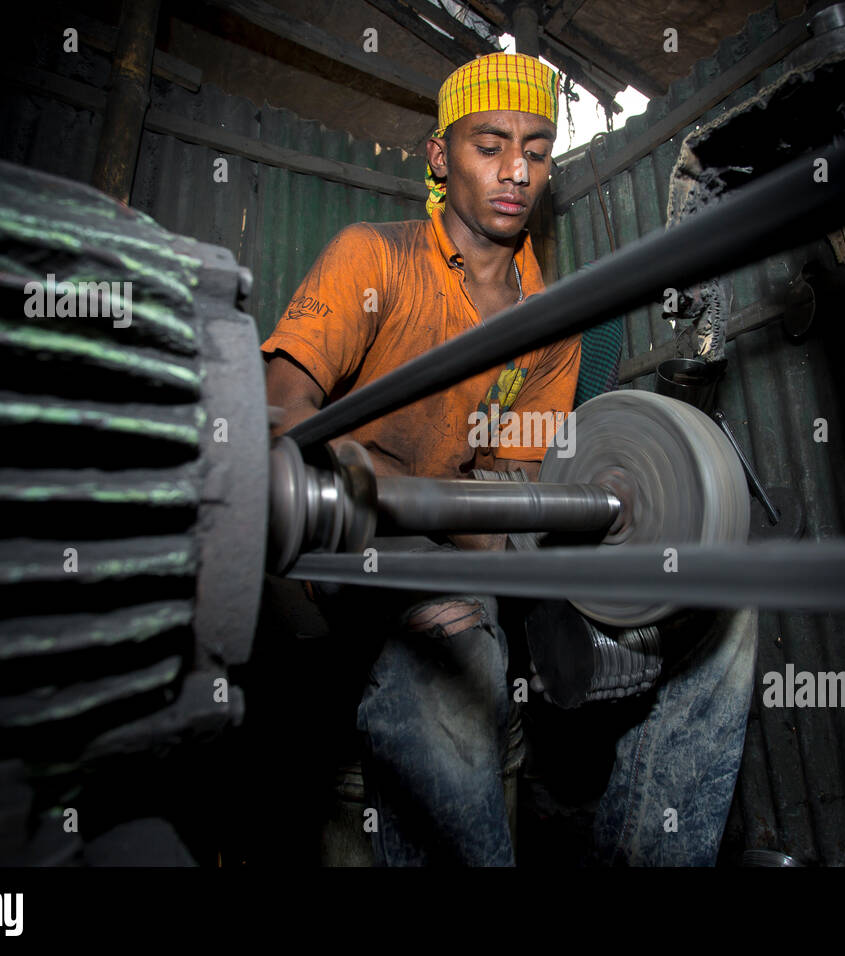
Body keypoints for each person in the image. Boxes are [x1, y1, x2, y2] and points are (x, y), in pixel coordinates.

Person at [261, 53, 757, 866]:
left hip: (474, 531)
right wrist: (373, 481)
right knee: (452, 631)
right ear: (438, 156)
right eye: (488, 145)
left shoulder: (550, 319)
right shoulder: (372, 259)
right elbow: (281, 413)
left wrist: (568, 554)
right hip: (353, 541)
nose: (515, 170)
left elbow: (521, 474)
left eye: (534, 149)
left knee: (720, 596)